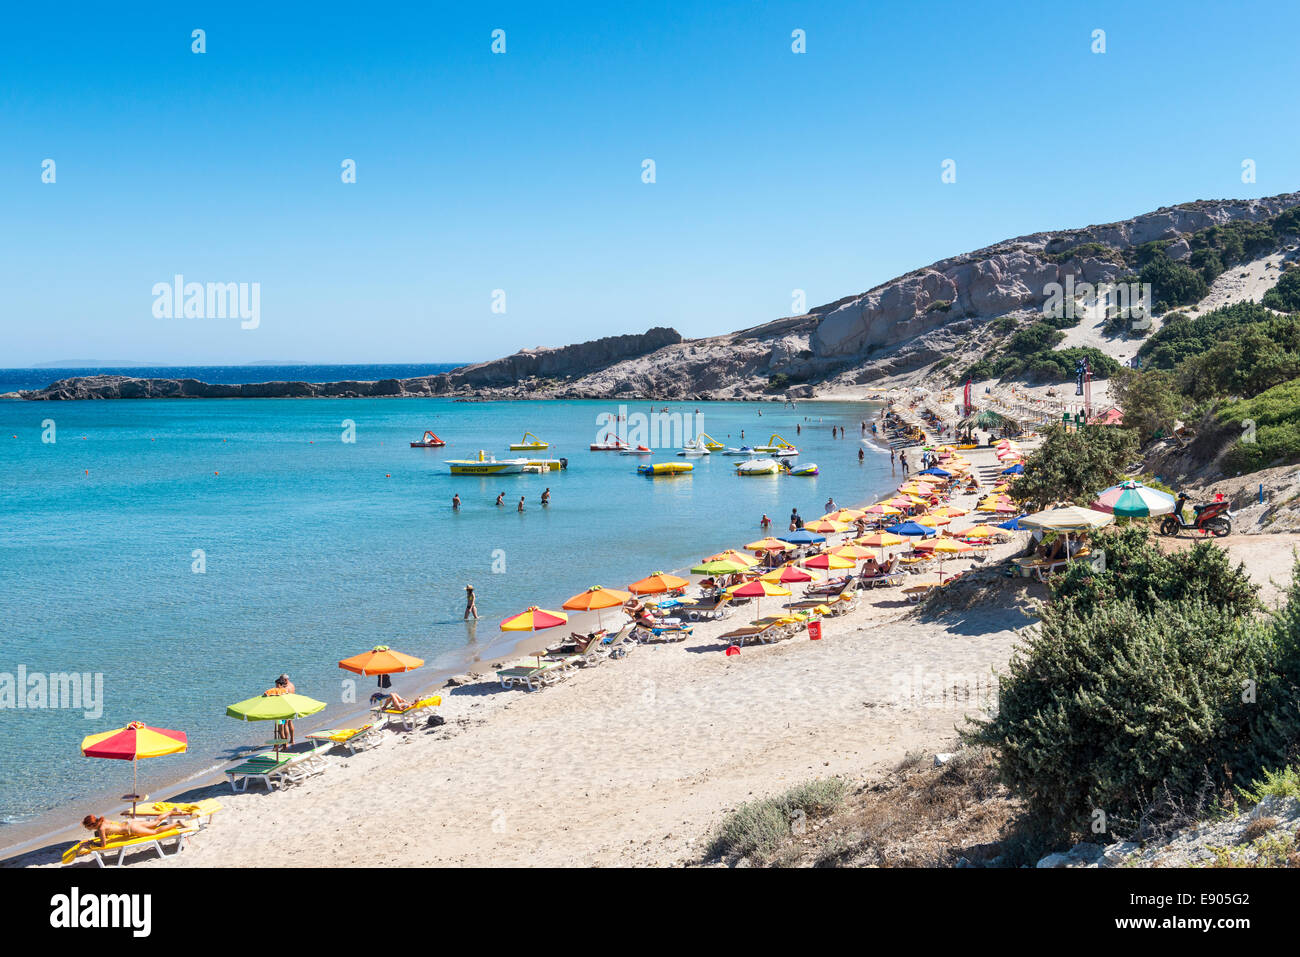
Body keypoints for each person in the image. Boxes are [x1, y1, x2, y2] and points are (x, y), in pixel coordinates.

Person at [81, 813, 177, 848]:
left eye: (86, 827)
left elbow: (103, 845)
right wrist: (93, 840)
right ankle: (172, 811)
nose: (86, 828)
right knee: (155, 822)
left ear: (91, 825)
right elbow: (108, 834)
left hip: (132, 829)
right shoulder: (104, 820)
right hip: (131, 823)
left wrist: (91, 844)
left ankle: (177, 824)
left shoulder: (101, 829)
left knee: (155, 832)